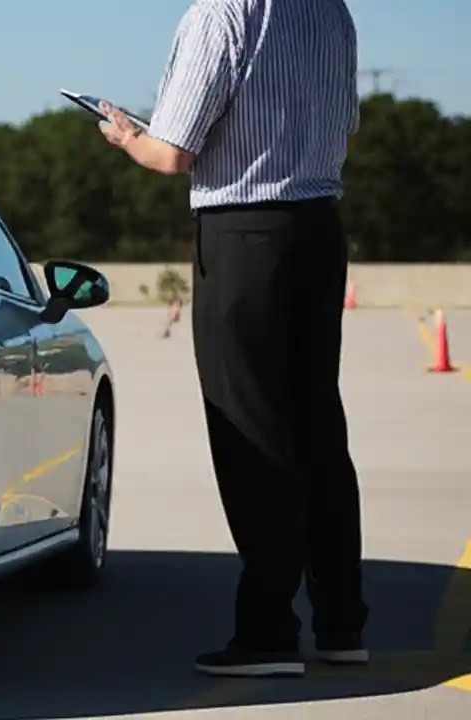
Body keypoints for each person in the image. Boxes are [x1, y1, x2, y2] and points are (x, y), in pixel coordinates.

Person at [97, 0, 368, 678]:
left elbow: (172, 151)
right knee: (316, 428)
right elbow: (347, 130)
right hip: (318, 227)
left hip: (245, 232)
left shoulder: (223, 13)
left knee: (251, 430)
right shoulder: (330, 10)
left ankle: (268, 631)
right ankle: (341, 623)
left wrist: (125, 134)